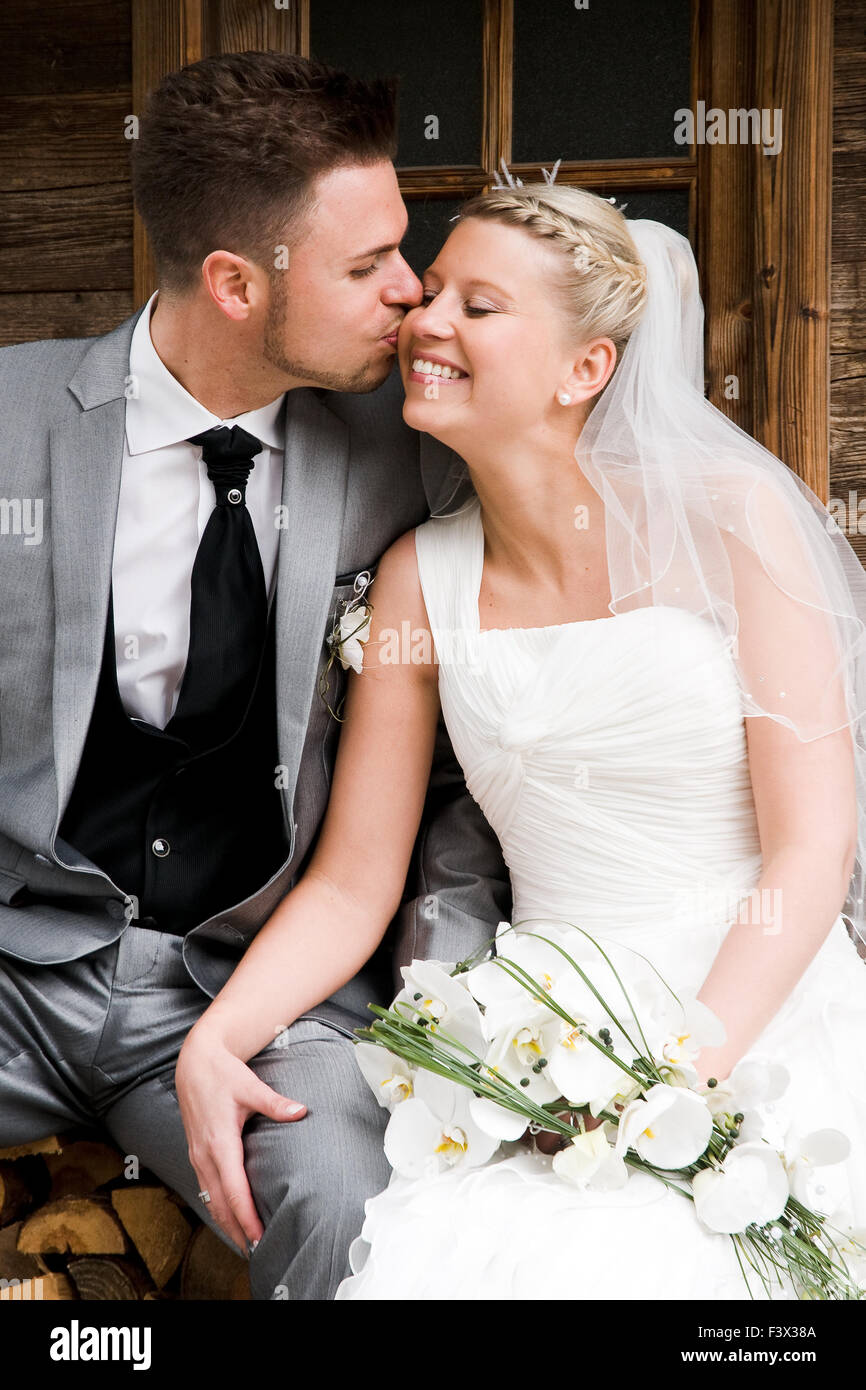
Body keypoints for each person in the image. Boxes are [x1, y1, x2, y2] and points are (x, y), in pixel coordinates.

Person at [201, 178, 866, 1300]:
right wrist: (219, 1037)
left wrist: (675, 1084)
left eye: (479, 305)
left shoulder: (728, 520)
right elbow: (355, 880)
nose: (428, 321)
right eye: (433, 292)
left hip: (756, 995)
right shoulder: (419, 582)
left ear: (583, 370)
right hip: (535, 1037)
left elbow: (808, 851)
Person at [0, 51, 510, 1301]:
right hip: (13, 968)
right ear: (235, 282)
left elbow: (478, 763)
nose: (411, 294)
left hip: (254, 982)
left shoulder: (419, 450)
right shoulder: (10, 420)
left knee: (358, 1223)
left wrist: (433, 984)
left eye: (403, 248)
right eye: (364, 267)